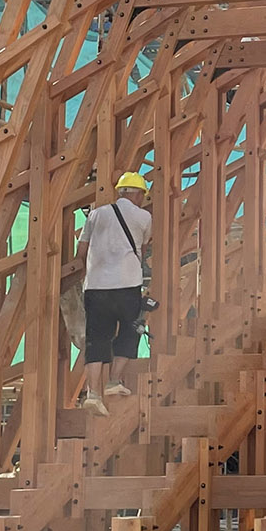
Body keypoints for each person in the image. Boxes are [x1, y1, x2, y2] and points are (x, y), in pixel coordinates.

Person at [77, 171, 153, 408]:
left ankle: (92, 394)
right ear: (138, 194)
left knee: (96, 339)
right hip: (127, 285)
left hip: (96, 287)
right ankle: (114, 381)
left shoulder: (96, 215)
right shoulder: (143, 217)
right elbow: (143, 246)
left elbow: (82, 251)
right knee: (131, 332)